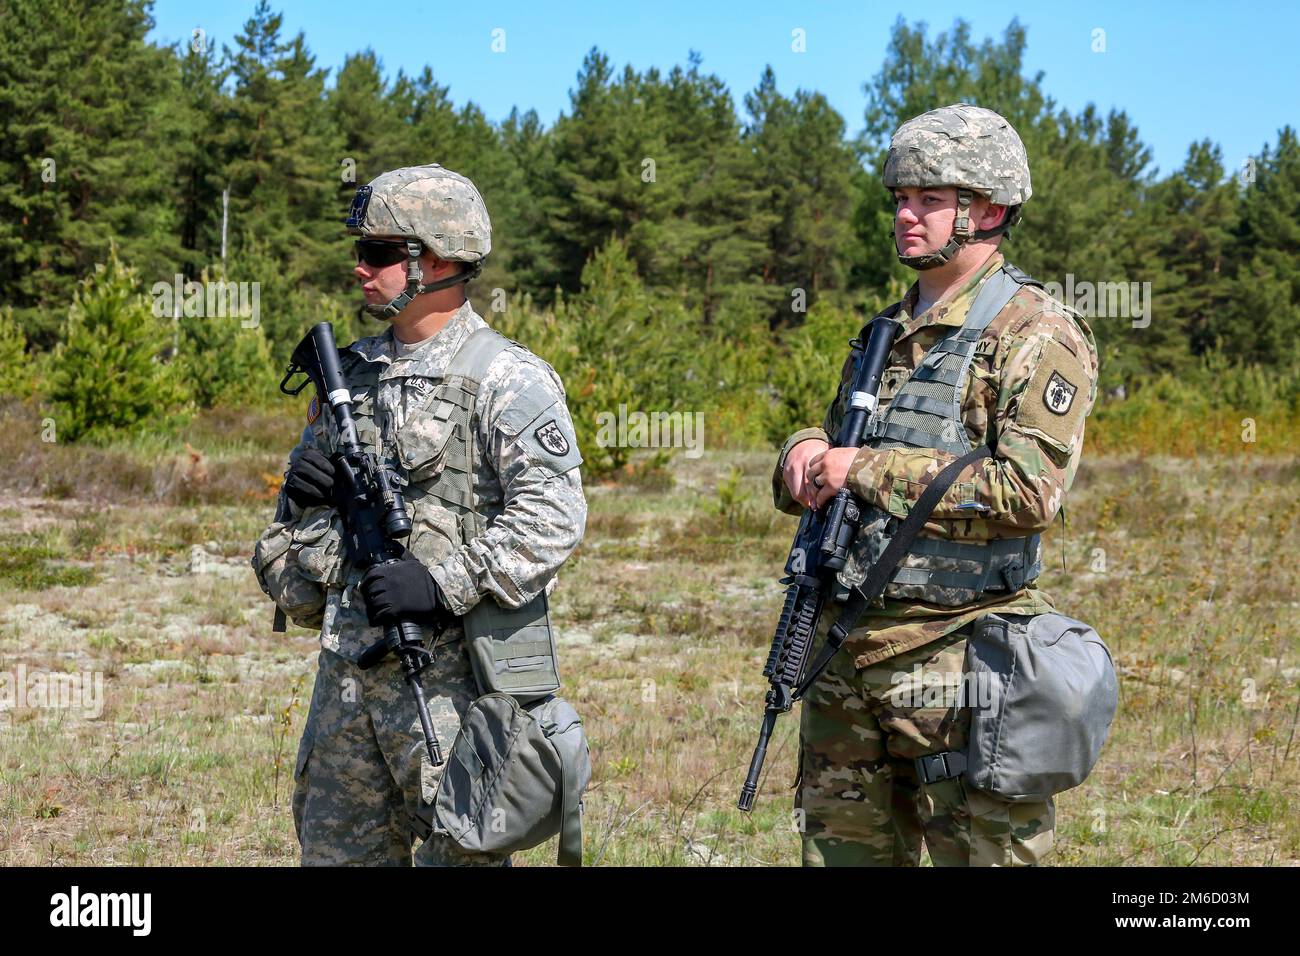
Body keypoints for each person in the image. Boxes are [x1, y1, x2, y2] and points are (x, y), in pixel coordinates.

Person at [773, 104, 1099, 866]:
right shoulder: (885, 330)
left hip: (958, 662)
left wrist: (867, 470)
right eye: (899, 199)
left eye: (928, 198)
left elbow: (1029, 492)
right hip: (847, 645)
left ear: (988, 210)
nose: (905, 216)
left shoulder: (1034, 331)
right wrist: (804, 452)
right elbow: (840, 449)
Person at [252, 164, 586, 866]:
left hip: (453, 691)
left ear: (433, 259)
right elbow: (285, 561)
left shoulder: (506, 377)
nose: (359, 267)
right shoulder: (349, 378)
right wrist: (305, 508)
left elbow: (554, 518)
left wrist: (441, 585)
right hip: (347, 689)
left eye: (377, 253)